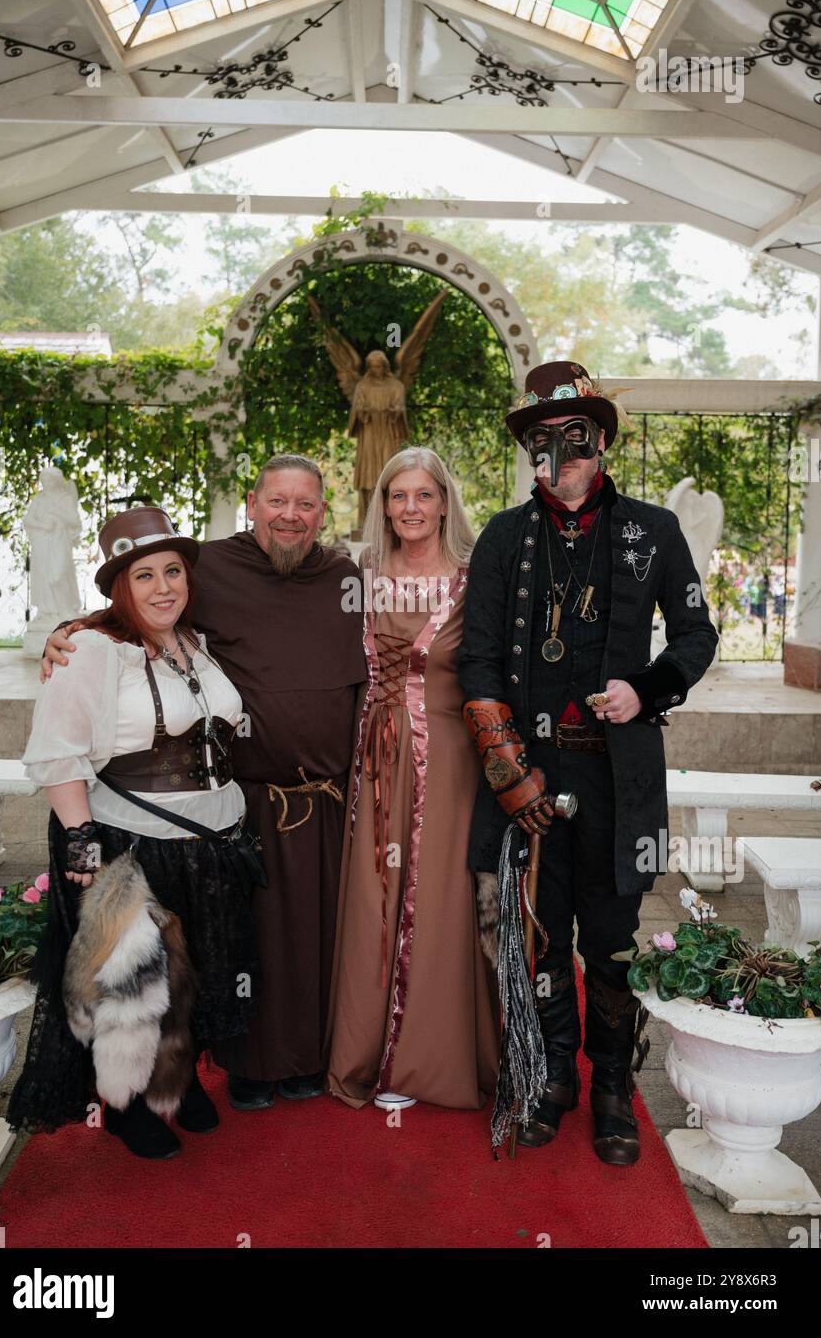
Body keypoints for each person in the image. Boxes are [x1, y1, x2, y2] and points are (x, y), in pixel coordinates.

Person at [42, 457, 368, 1111]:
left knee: (312, 938)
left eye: (306, 505)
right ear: (252, 503)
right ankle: (243, 1068)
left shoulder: (344, 575)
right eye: (278, 501)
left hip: (321, 801)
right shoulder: (212, 566)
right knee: (241, 942)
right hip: (242, 803)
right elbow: (137, 605)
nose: (291, 515)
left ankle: (305, 1058)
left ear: (323, 513)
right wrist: (68, 629)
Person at [458, 361, 718, 1165]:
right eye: (543, 440)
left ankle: (610, 1085)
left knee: (608, 942)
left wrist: (646, 690)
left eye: (575, 437)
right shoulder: (504, 537)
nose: (560, 454)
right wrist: (509, 775)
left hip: (617, 776)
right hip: (530, 777)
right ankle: (550, 1080)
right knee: (539, 938)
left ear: (601, 439)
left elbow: (696, 636)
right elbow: (476, 663)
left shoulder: (653, 531)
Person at [9, 506, 262, 1159]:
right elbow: (58, 751)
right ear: (120, 586)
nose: (162, 587)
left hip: (211, 843)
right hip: (130, 843)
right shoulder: (93, 650)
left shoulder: (194, 645)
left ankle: (174, 1080)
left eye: (172, 571)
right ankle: (124, 1106)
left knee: (193, 968)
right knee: (131, 982)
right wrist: (80, 840)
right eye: (143, 575)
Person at [326, 448, 499, 1111]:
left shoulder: (474, 577)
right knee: (374, 896)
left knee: (437, 899)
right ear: (384, 505)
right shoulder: (359, 574)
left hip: (449, 759)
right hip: (373, 755)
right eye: (399, 496)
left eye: (424, 495)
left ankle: (425, 1060)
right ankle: (366, 1051)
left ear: (445, 502)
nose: (411, 508)